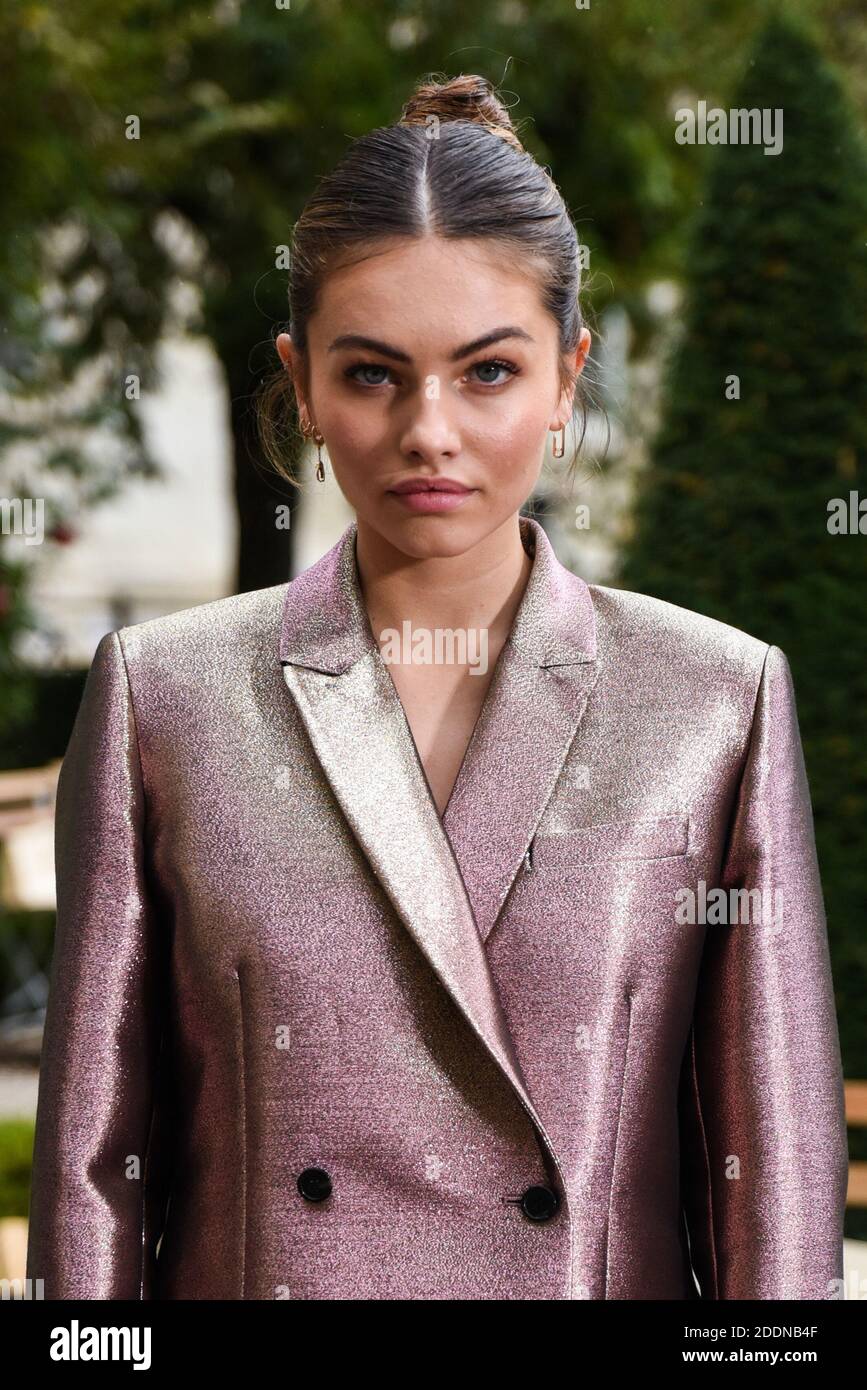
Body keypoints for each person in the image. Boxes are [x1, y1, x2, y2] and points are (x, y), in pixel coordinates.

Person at [26, 73, 848, 1301]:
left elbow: (770, 1191)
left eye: (488, 372)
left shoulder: (714, 699)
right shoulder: (166, 697)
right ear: (300, 381)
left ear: (569, 377)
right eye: (371, 374)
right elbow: (91, 1172)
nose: (430, 431)